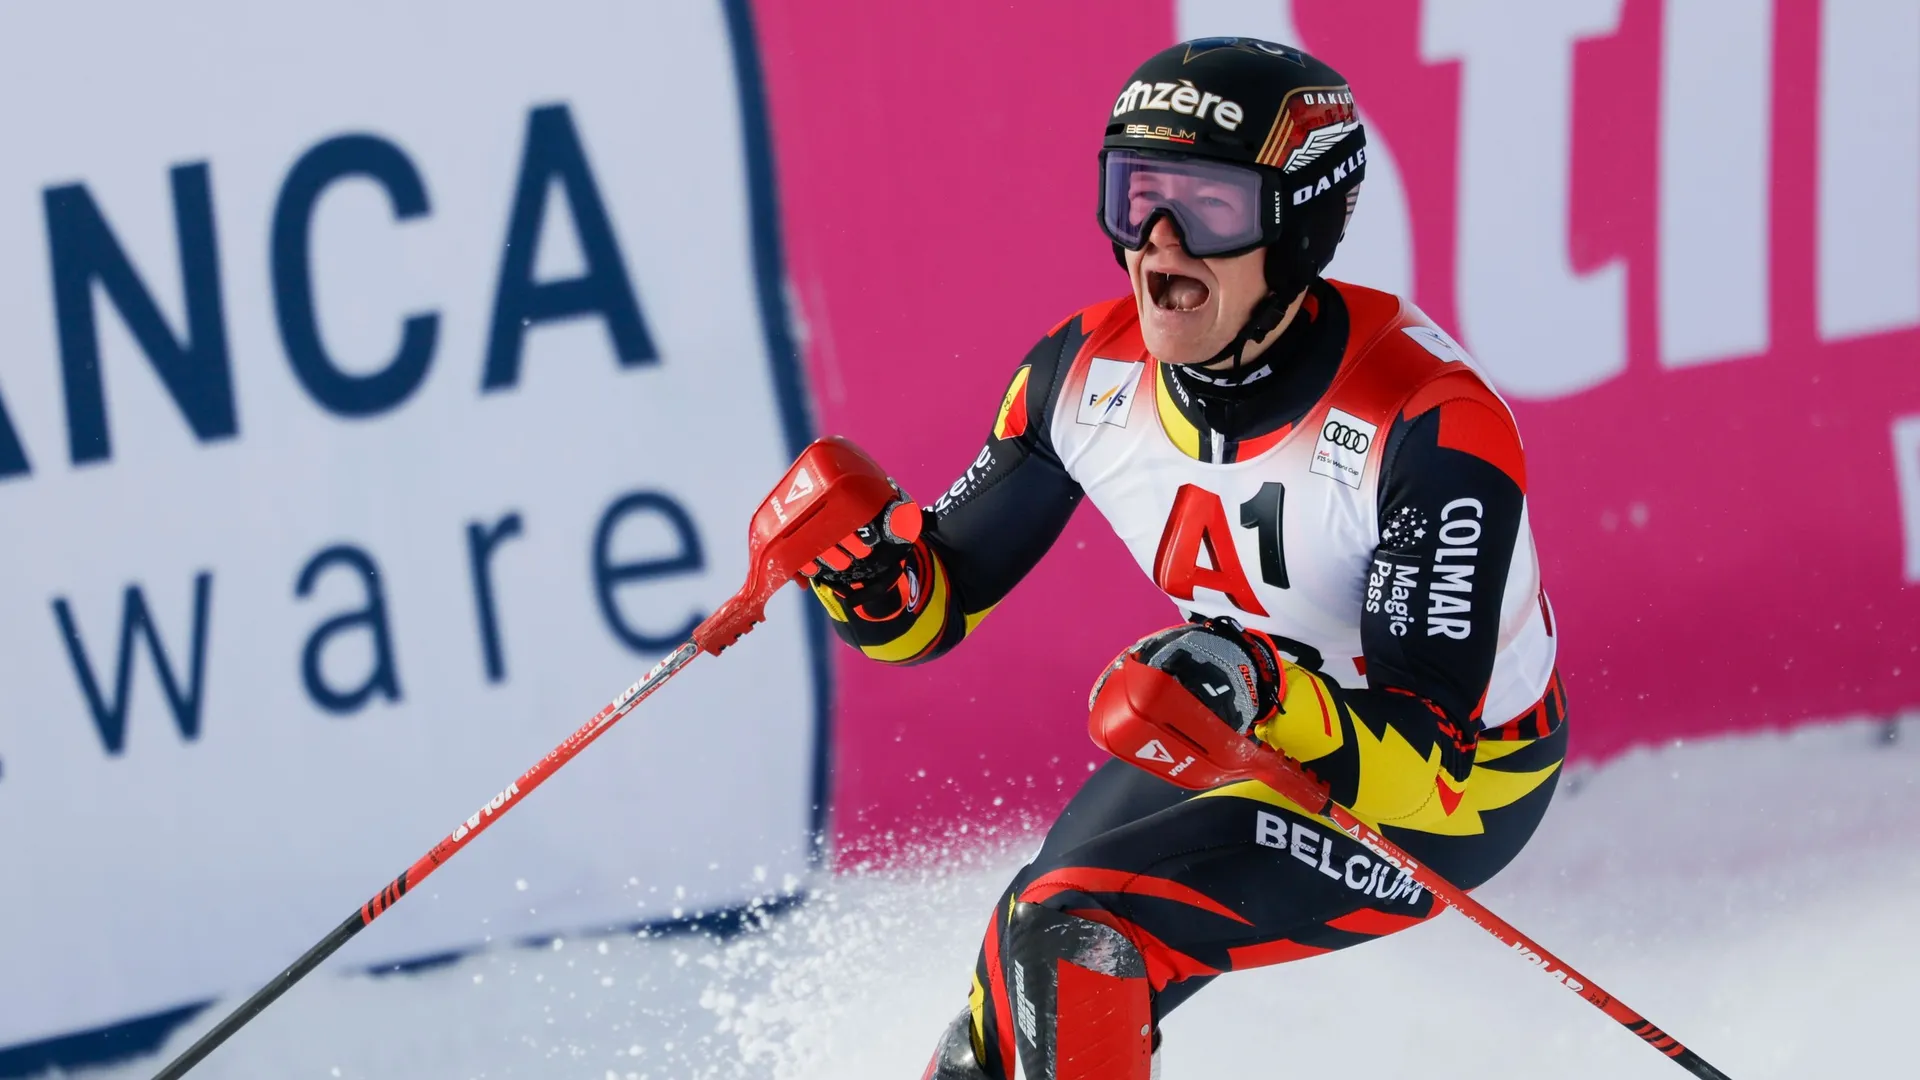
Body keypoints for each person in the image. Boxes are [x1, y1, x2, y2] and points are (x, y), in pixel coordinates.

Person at [804, 38, 1566, 1080]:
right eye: (1135, 197)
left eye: (1207, 208)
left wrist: (1261, 688)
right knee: (1013, 995)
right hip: (1238, 719)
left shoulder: (1429, 426)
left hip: (1454, 784)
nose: (1158, 244)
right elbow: (926, 617)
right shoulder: (1080, 376)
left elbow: (1428, 765)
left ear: (1299, 225)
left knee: (1080, 931)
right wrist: (860, 571)